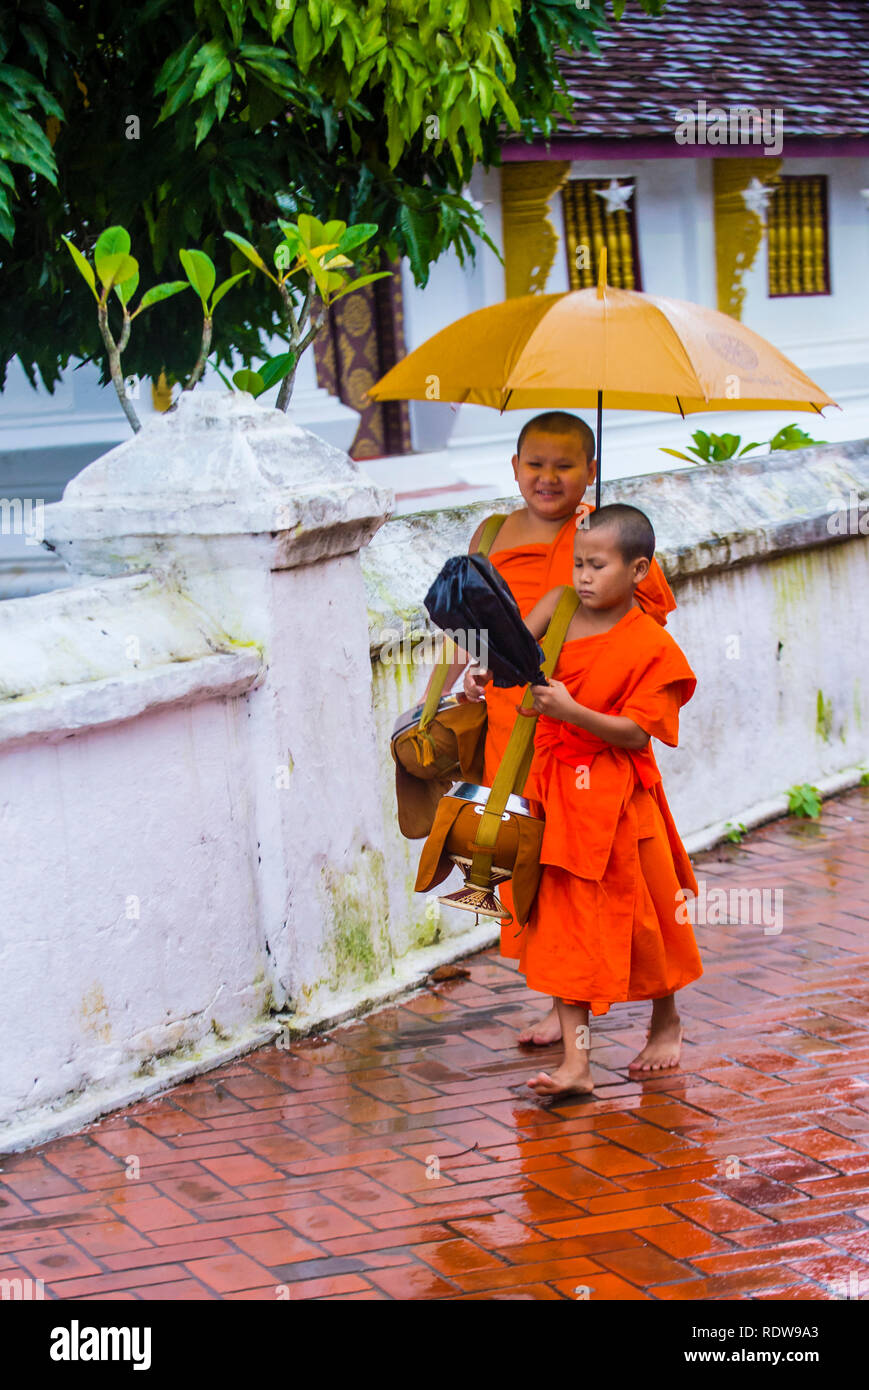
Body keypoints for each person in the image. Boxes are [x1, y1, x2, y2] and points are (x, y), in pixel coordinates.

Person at [426, 410, 676, 1047]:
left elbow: (642, 623)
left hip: (589, 725)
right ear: (513, 467)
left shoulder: (605, 537)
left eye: (565, 466)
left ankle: (662, 1011)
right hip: (516, 731)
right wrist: (469, 679)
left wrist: (583, 655)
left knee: (628, 876)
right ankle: (563, 1000)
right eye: (535, 464)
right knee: (532, 868)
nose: (548, 477)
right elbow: (475, 624)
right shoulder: (490, 531)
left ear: (590, 471)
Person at [469, 503, 703, 1096]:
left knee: (647, 919)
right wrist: (484, 672)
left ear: (638, 569)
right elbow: (513, 654)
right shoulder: (560, 607)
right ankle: (578, 1065)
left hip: (622, 798)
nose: (582, 577)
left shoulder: (651, 644)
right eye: (577, 563)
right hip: (554, 791)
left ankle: (665, 1020)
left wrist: (573, 712)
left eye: (597, 565)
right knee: (559, 924)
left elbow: (636, 733)